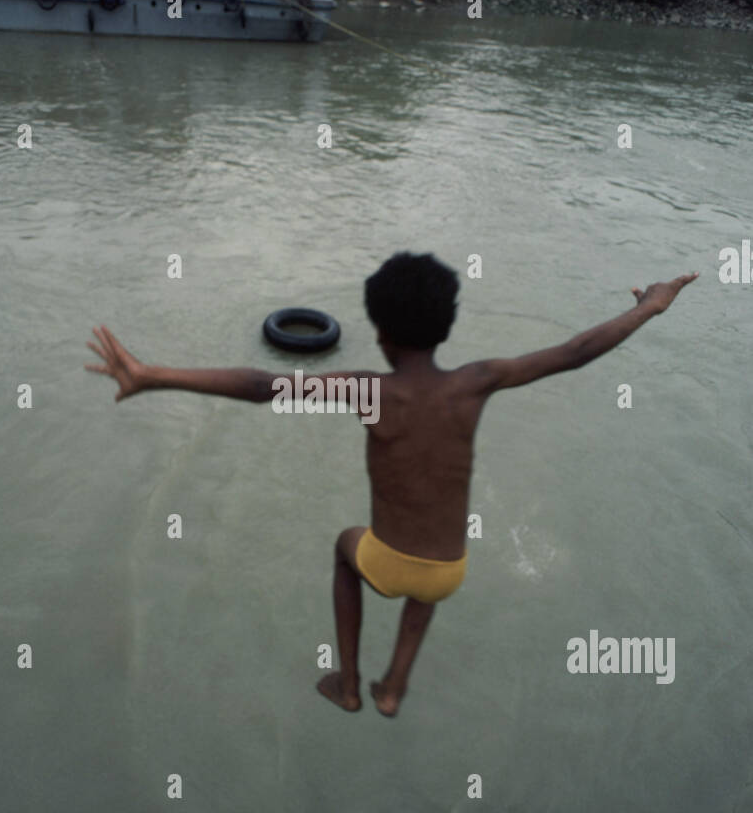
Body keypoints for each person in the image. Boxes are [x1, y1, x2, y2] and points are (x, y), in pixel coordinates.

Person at [86, 252, 697, 719]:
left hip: (387, 560)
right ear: (448, 327)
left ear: (378, 331)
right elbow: (577, 351)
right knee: (427, 579)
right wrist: (652, 305)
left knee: (344, 548)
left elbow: (262, 387)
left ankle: (350, 683)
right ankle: (394, 687)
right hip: (449, 570)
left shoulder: (368, 391)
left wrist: (153, 375)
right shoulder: (478, 381)